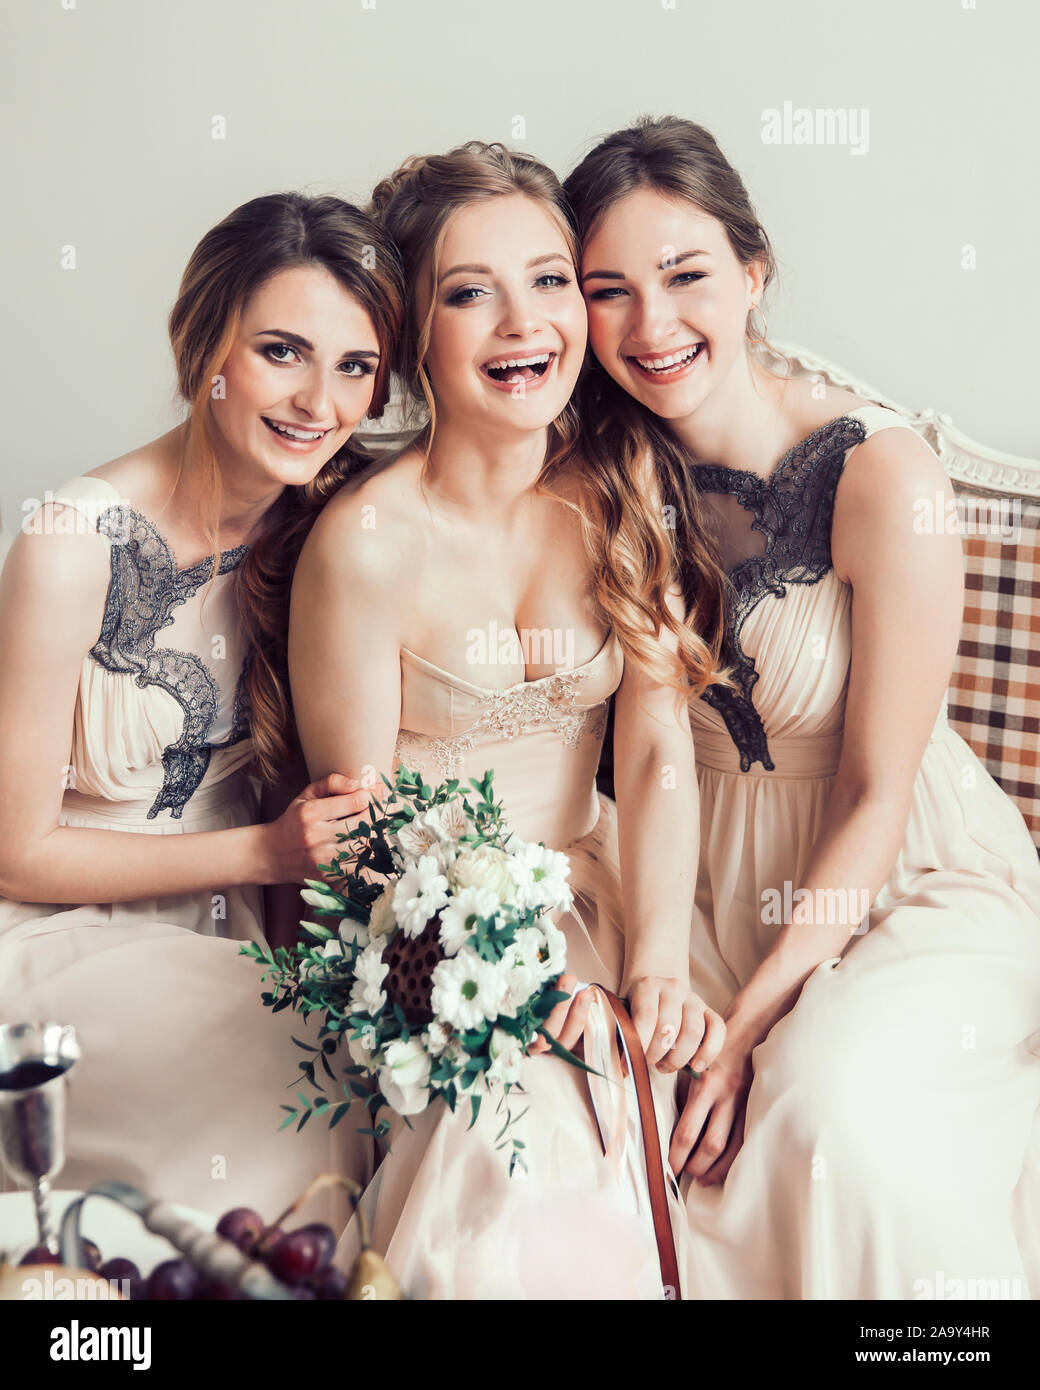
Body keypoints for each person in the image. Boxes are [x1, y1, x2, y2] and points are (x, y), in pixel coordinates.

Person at [562, 114, 1040, 1299]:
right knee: (616, 1141)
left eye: (684, 276)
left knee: (822, 1118)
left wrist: (748, 1028)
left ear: (751, 270)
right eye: (606, 291)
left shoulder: (884, 474)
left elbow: (878, 793)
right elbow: (650, 747)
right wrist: (670, 975)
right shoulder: (601, 471)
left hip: (895, 877)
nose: (651, 326)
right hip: (688, 875)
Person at [286, 142, 725, 1299]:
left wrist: (661, 965)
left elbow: (654, 746)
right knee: (522, 1185)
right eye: (467, 292)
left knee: (738, 1129)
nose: (521, 322)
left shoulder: (616, 484)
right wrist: (514, 979)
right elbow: (361, 841)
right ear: (414, 337)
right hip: (438, 943)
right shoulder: (364, 544)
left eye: (547, 280)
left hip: (615, 895)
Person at [0, 193, 404, 1225]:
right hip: (51, 940)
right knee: (298, 1089)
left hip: (230, 940)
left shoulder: (332, 530)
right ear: (204, 343)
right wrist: (267, 856)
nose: (319, 400)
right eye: (282, 351)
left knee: (383, 1078)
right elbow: (17, 853)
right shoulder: (69, 543)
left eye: (354, 366)